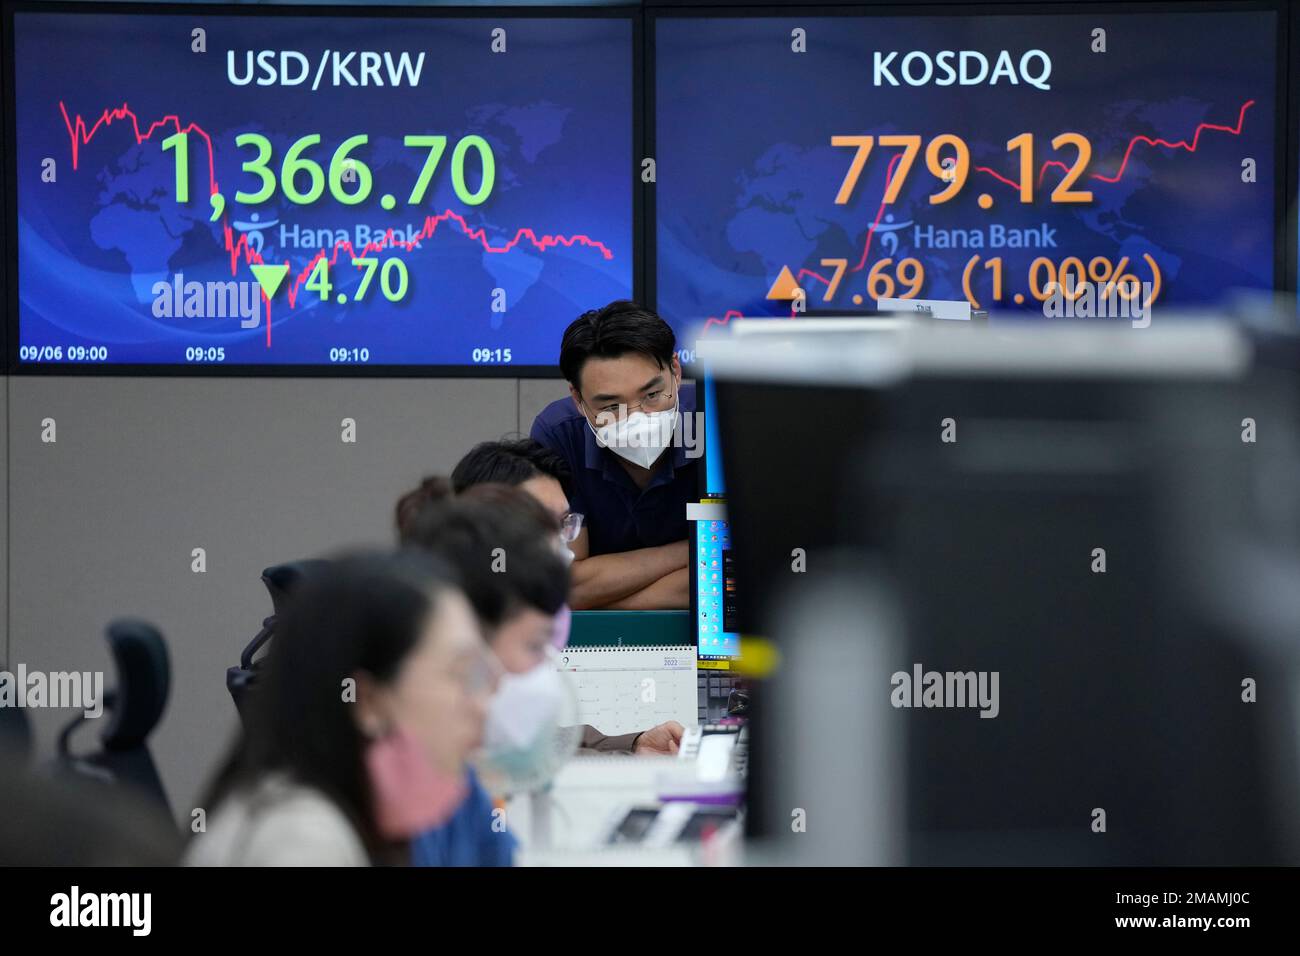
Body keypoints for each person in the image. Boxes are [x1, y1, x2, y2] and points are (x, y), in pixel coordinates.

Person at [186, 552, 496, 866]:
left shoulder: (353, 808)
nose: (482, 706)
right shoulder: (302, 843)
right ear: (369, 701)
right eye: (461, 674)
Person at [529, 301, 697, 610]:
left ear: (675, 370)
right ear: (578, 399)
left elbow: (730, 578)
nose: (637, 418)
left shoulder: (715, 422)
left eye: (651, 395)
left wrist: (600, 599)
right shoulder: (558, 435)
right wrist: (693, 551)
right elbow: (564, 583)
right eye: (610, 406)